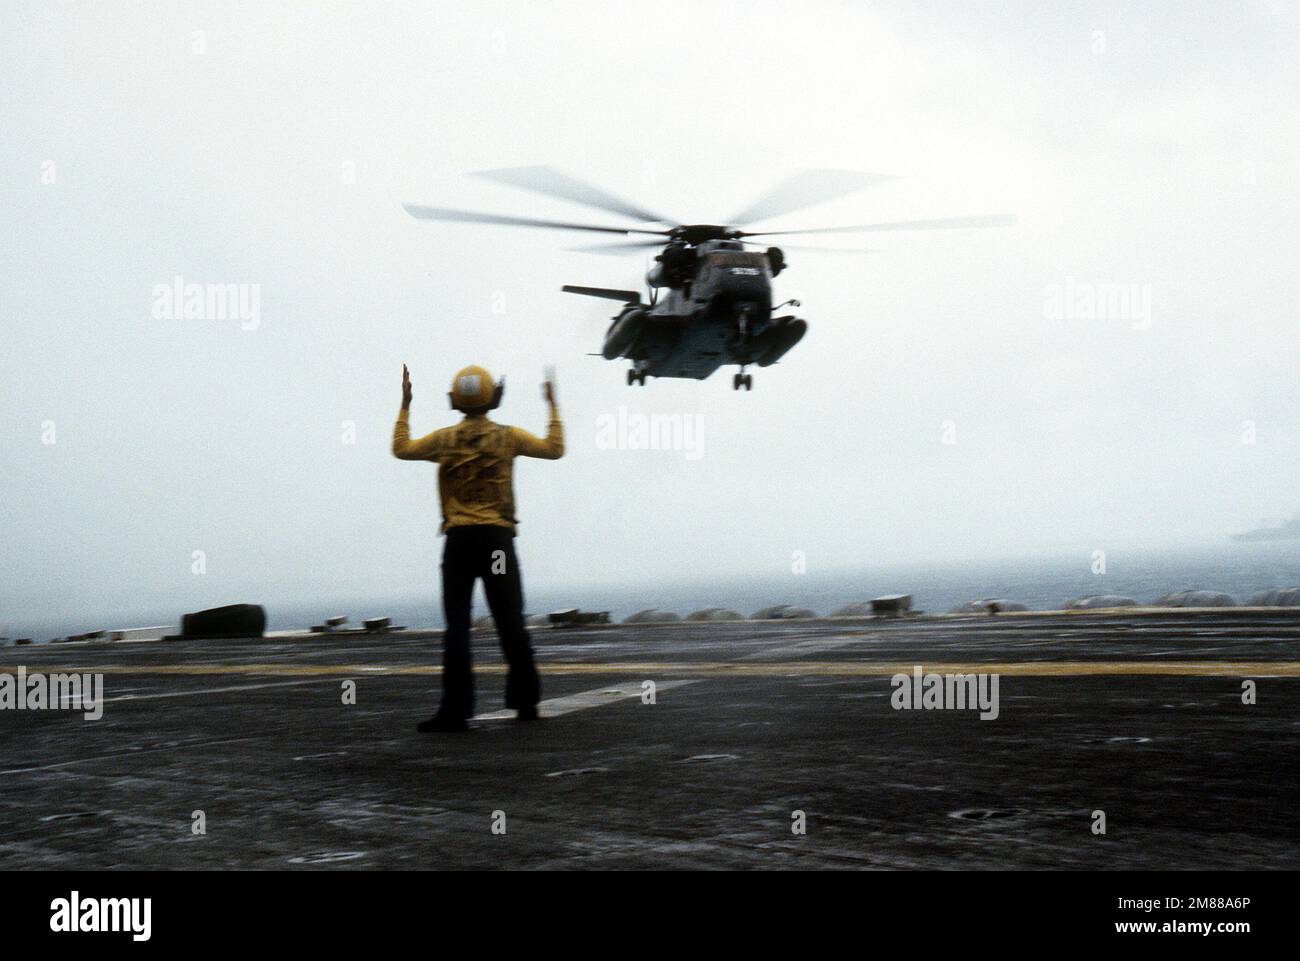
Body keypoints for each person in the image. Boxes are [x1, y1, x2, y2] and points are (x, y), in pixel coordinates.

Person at [392, 363, 564, 732]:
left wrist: (406, 405)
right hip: (496, 543)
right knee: (509, 619)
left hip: (459, 544)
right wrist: (552, 406)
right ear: (493, 397)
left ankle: (455, 710)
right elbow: (554, 449)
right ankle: (526, 702)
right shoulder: (508, 437)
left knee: (457, 625)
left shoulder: (443, 440)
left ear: (455, 399)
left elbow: (401, 449)